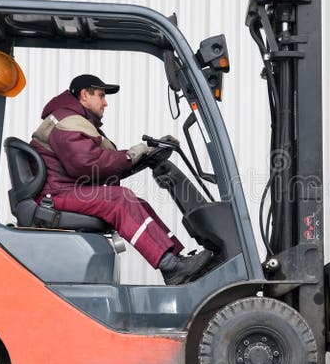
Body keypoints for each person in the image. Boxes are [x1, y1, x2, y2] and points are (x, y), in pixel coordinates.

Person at [30, 74, 213, 285]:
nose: (105, 102)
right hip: (57, 194)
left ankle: (177, 262)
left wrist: (140, 155)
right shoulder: (67, 121)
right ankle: (171, 267)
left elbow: (97, 164)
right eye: (100, 95)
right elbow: (85, 163)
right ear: (84, 95)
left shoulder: (73, 120)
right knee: (119, 199)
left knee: (135, 203)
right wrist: (129, 156)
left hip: (67, 189)